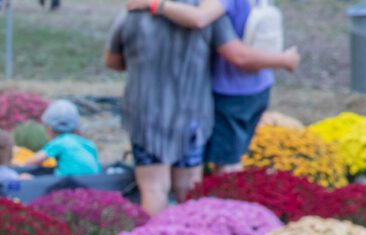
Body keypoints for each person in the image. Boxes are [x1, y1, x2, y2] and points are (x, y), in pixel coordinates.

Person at [104, 0, 291, 213]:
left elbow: (113, 61)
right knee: (189, 188)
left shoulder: (133, 14)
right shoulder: (208, 18)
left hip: (145, 112)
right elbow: (233, 52)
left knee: (153, 189)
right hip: (191, 113)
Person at [126, 0, 300, 171]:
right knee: (229, 162)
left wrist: (155, 4)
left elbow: (201, 20)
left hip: (231, 95)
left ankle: (222, 199)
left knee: (225, 167)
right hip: (256, 87)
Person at [14, 100, 102, 176]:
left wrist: (19, 166)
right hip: (93, 179)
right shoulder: (87, 143)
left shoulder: (59, 142)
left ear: (49, 128)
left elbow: (32, 162)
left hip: (68, 181)